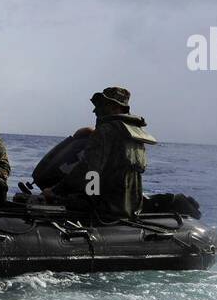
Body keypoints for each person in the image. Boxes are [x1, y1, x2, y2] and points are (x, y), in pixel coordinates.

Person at [43, 86, 157, 218]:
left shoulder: (105, 132)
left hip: (103, 208)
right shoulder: (135, 134)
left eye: (102, 105)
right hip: (130, 208)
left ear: (115, 107)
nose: (95, 110)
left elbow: (89, 171)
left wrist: (56, 191)